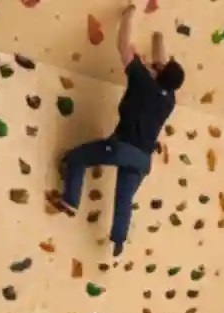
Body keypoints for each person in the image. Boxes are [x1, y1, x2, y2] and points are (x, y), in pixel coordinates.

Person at [48, 4, 184, 257]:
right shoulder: (169, 99)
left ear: (159, 71)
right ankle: (118, 240)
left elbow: (123, 46)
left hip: (122, 148)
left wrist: (130, 16)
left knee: (76, 158)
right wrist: (158, 36)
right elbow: (163, 65)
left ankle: (70, 200)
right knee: (124, 199)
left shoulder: (142, 80)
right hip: (142, 161)